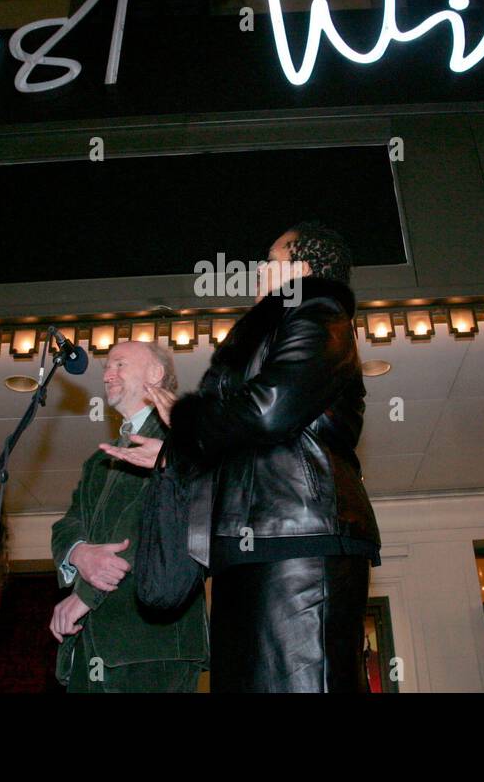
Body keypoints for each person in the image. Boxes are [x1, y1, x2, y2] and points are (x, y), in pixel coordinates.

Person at [108, 222, 381, 692]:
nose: (256, 272)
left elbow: (271, 410)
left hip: (298, 542)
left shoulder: (320, 312)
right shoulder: (282, 328)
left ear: (303, 269)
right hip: (254, 546)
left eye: (269, 262)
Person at [50, 340, 208, 692]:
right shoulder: (97, 463)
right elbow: (66, 525)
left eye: (119, 364)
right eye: (106, 367)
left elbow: (167, 528)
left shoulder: (188, 442)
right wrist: (79, 552)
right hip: (90, 646)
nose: (107, 374)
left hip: (151, 645)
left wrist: (87, 593)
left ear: (156, 374)